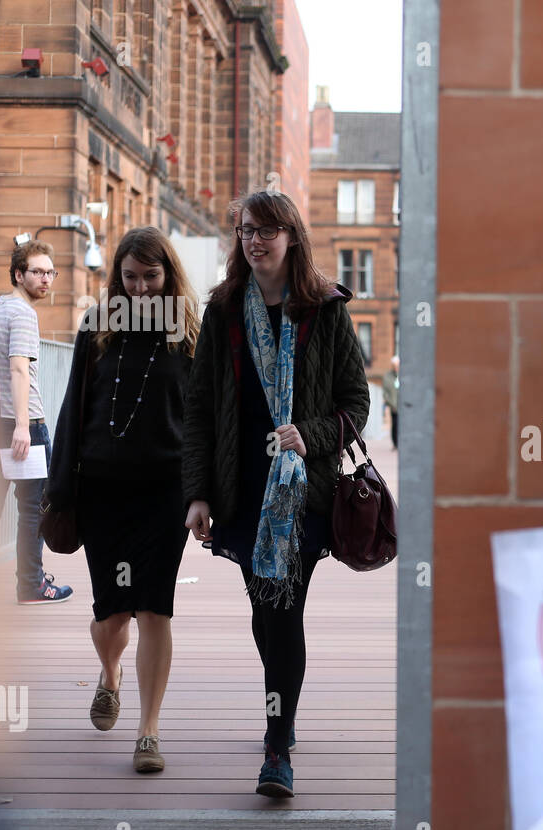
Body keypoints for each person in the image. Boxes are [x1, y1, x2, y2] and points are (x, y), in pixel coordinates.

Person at [182, 189, 369, 798]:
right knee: (267, 612)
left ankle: (276, 744)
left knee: (283, 610)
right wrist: (199, 493)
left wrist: (308, 436)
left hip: (304, 491)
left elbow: (355, 404)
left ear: (291, 236)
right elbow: (200, 411)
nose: (255, 241)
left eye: (266, 231)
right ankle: (280, 707)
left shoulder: (325, 309)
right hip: (242, 491)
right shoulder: (224, 310)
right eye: (245, 232)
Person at [46, 227, 200, 773]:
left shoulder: (188, 333)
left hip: (165, 492)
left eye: (151, 277)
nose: (139, 289)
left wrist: (206, 494)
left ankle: (148, 731)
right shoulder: (98, 326)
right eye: (130, 277)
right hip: (103, 492)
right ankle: (109, 675)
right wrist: (59, 487)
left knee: (155, 606)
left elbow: (204, 420)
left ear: (169, 276)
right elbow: (72, 409)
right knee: (112, 615)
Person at [0, 240, 73, 604]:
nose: (46, 280)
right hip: (23, 426)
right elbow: (17, 368)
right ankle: (31, 584)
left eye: (50, 272)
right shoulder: (24, 314)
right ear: (18, 274)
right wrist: (24, 427)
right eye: (37, 272)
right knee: (33, 508)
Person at [382, 355, 399, 449]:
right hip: (394, 406)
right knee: (395, 425)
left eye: (398, 365)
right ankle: (395, 443)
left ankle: (400, 442)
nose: (396, 367)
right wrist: (390, 403)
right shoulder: (388, 376)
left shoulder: (404, 375)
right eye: (395, 365)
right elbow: (385, 393)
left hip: (404, 406)